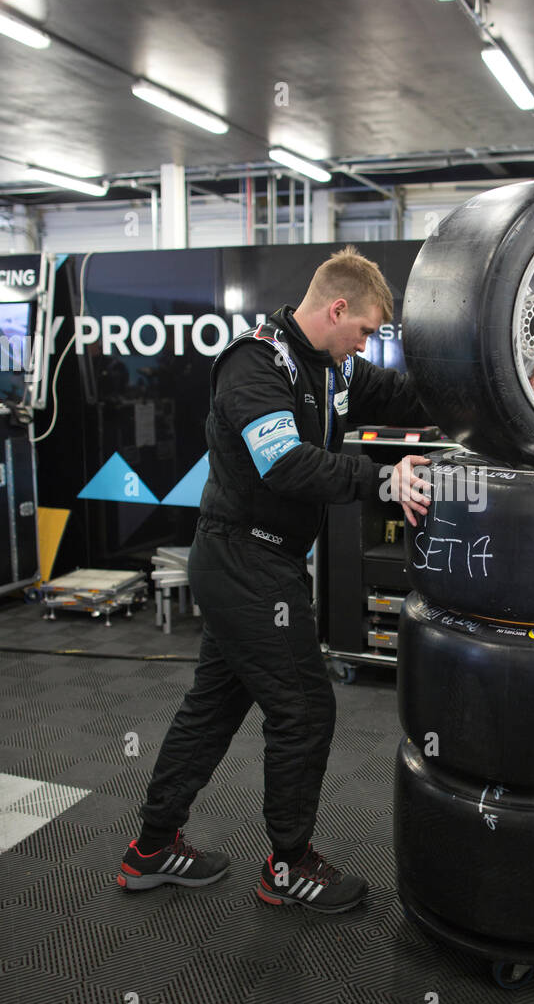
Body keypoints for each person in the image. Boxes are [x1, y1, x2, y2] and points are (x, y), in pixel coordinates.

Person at [116, 246, 433, 914]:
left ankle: (150, 847)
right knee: (304, 709)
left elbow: (407, 396)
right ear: (337, 308)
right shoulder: (254, 363)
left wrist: (492, 386)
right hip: (242, 562)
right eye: (366, 330)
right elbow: (284, 463)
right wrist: (382, 478)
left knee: (214, 707)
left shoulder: (331, 368)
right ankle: (288, 866)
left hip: (267, 562)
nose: (366, 345)